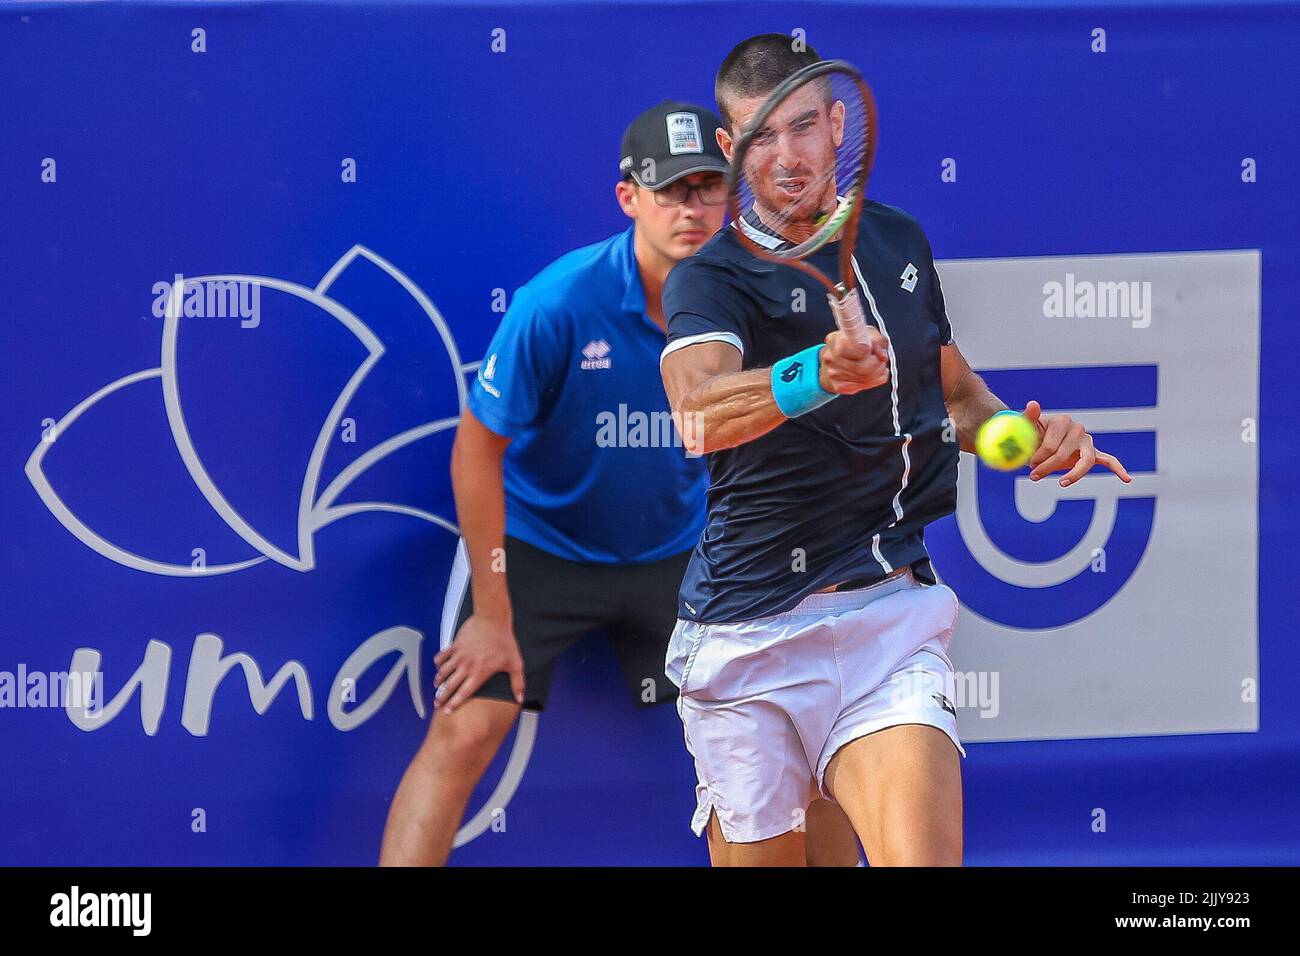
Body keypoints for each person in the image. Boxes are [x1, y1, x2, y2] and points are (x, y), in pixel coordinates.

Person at [659, 35, 1133, 867]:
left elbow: (958, 402)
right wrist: (812, 375)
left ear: (839, 125)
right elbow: (698, 415)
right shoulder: (711, 278)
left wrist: (1031, 443)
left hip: (889, 621)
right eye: (760, 137)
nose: (786, 155)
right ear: (730, 149)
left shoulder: (900, 242)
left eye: (803, 127)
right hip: (747, 636)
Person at [380, 101, 859, 866]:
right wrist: (493, 613)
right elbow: (475, 451)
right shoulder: (560, 303)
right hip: (540, 551)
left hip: (680, 555)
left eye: (708, 187)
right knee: (468, 725)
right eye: (670, 190)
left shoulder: (754, 292)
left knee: (794, 738)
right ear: (628, 198)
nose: (691, 208)